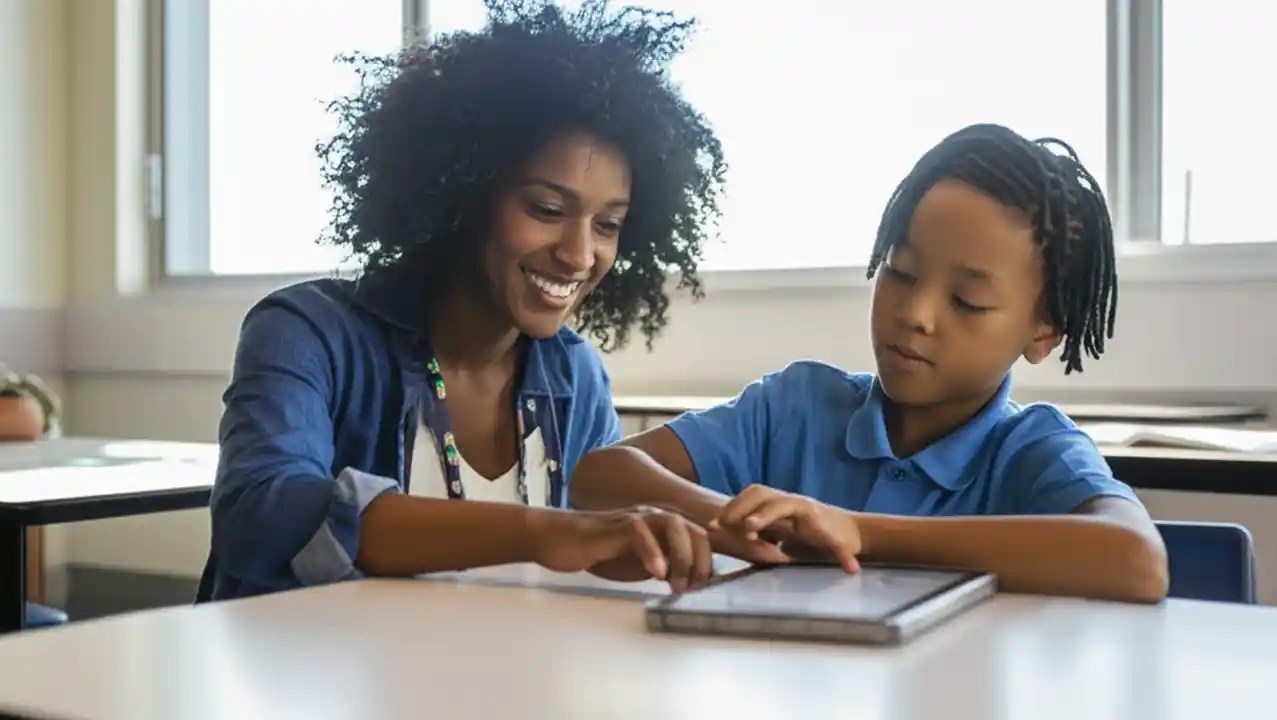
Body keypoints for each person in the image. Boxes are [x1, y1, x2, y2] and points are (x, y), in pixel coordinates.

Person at [198, 0, 750, 601]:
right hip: (315, 684)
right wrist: (543, 531)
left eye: (608, 225)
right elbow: (260, 516)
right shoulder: (308, 333)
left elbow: (594, 547)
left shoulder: (573, 375)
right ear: (462, 195)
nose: (578, 254)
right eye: (546, 209)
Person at [570, 124, 1170, 603]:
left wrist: (861, 530)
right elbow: (600, 476)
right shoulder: (795, 408)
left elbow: (1136, 560)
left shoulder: (1033, 450)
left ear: (1043, 334)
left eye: (968, 301)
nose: (916, 313)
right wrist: (729, 522)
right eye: (901, 272)